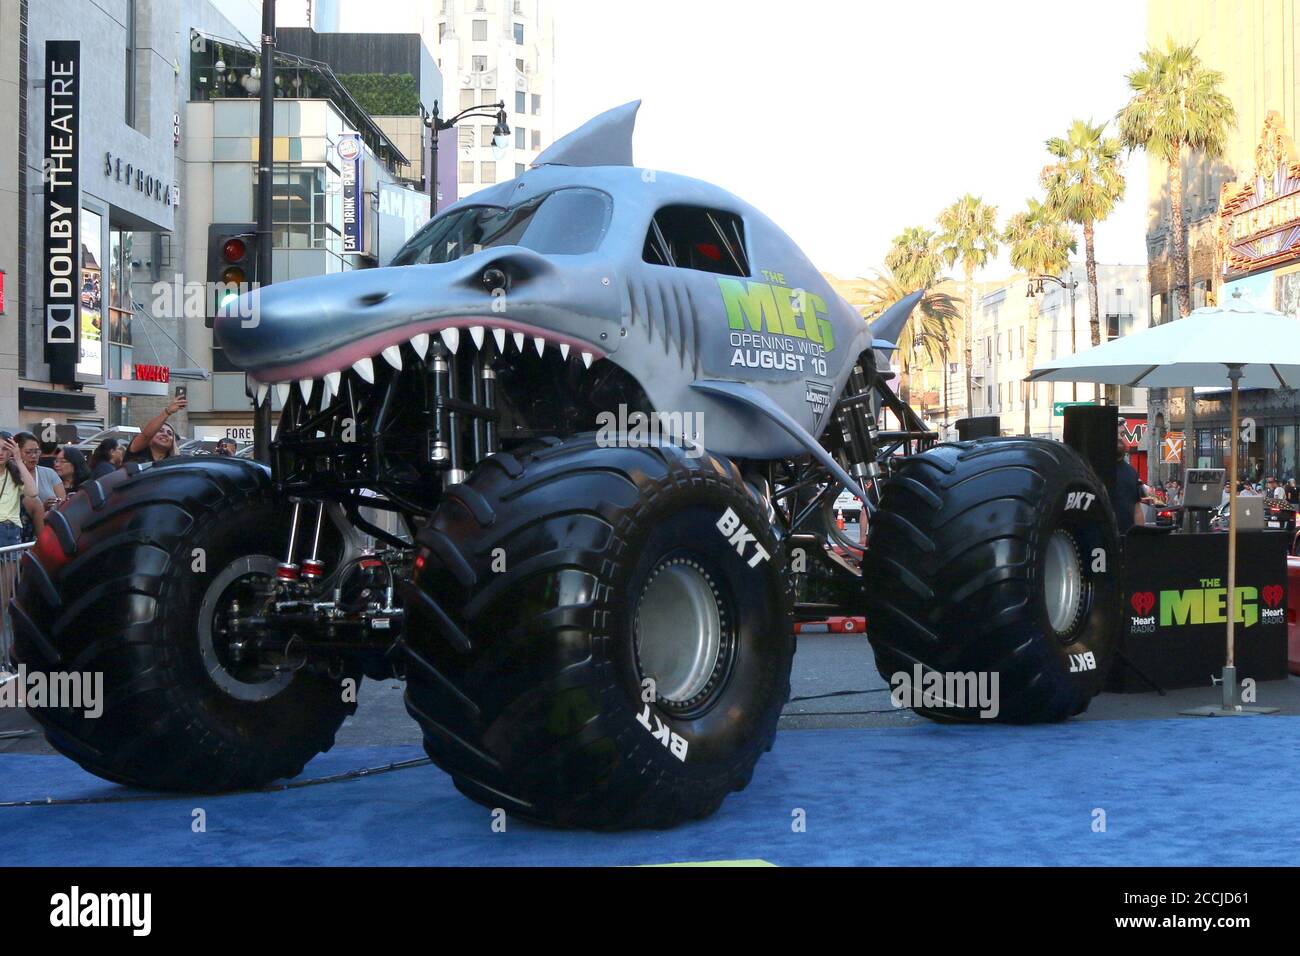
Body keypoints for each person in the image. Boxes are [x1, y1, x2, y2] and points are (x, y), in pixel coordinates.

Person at [0, 433, 43, 546]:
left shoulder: (15, 472)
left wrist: (18, 460)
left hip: (11, 529)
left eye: (5, 449)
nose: (1, 453)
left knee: (11, 563)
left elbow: (33, 492)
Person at [125, 394, 186, 464]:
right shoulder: (137, 449)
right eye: (160, 431)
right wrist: (167, 412)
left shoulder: (174, 462)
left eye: (169, 433)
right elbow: (146, 435)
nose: (165, 434)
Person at [15, 431, 65, 511]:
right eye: (28, 452)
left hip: (49, 520)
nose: (34, 456)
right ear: (16, 452)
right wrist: (42, 507)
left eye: (37, 451)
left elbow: (63, 501)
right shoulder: (10, 474)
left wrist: (56, 503)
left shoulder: (50, 473)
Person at [1114, 439, 1145, 534]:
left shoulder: (1131, 473)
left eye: (1123, 434)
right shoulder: (1097, 470)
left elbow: (1137, 508)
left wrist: (1139, 535)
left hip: (1126, 535)